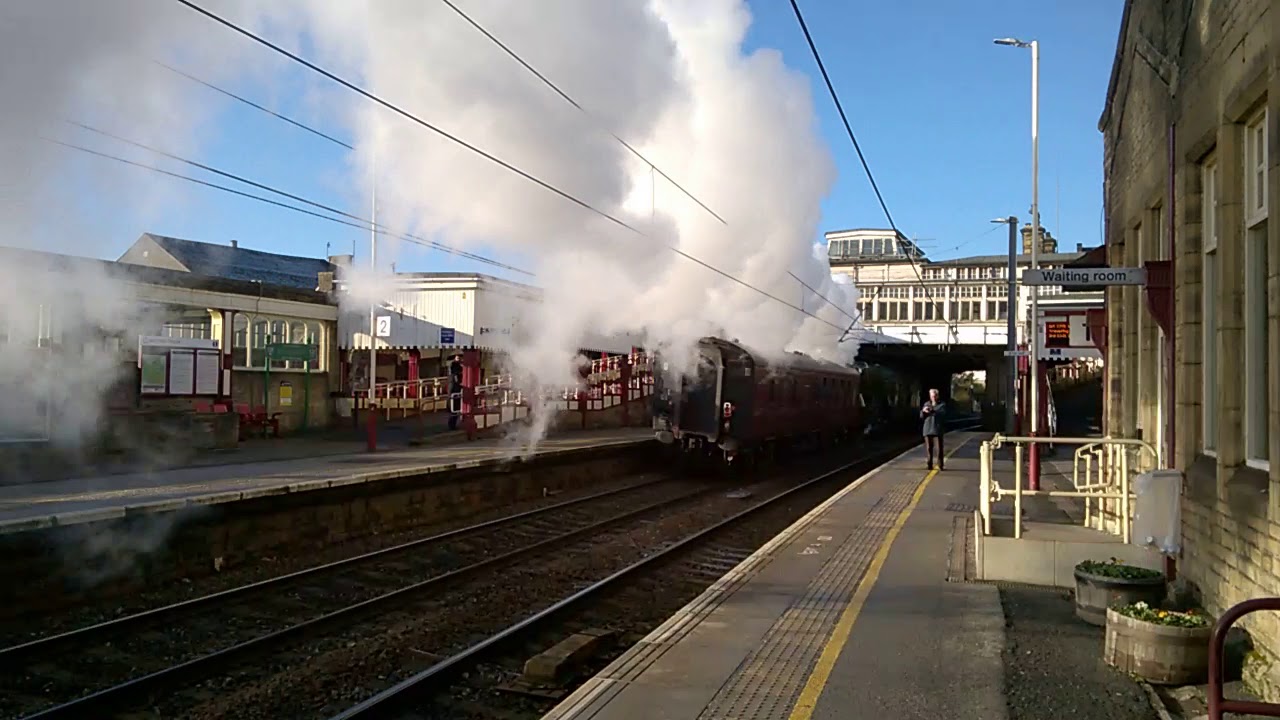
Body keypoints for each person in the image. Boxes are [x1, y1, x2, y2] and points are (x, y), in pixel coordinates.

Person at [921, 388, 947, 470]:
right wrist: (923, 411)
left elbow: (942, 414)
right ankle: (929, 464)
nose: (933, 398)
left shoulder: (942, 405)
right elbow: (921, 416)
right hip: (928, 429)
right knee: (929, 448)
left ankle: (940, 465)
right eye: (932, 396)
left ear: (937, 396)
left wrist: (932, 411)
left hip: (937, 429)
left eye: (935, 396)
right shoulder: (926, 404)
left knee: (939, 449)